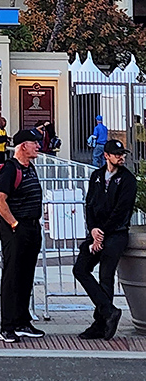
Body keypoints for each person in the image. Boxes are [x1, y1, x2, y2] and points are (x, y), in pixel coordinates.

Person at [73, 139, 137, 340]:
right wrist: (93, 230)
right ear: (106, 156)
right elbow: (89, 204)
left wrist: (102, 233)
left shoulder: (127, 179)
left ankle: (101, 323)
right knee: (80, 269)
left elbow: (121, 211)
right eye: (116, 154)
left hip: (116, 233)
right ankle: (108, 311)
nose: (121, 157)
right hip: (96, 233)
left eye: (122, 154)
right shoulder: (97, 176)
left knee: (106, 276)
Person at [0, 128, 46, 343]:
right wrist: (14, 223)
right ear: (23, 146)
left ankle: (23, 321)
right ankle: (7, 326)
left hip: (32, 227)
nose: (39, 147)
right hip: (16, 228)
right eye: (35, 143)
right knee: (12, 276)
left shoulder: (29, 168)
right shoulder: (9, 169)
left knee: (26, 276)